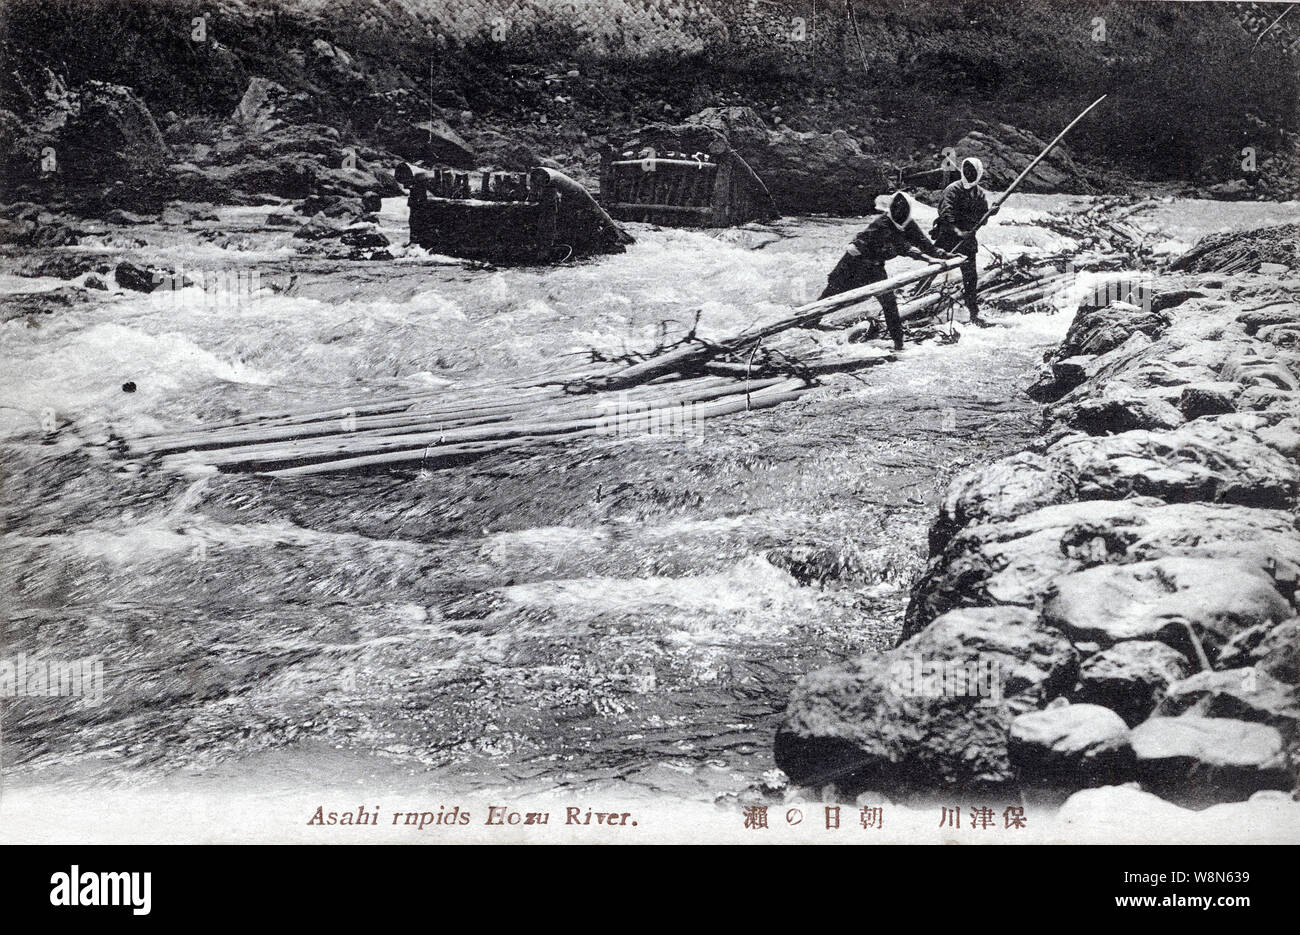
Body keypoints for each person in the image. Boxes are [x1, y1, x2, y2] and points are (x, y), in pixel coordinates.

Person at [818, 191, 952, 351]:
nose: (899, 212)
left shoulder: (908, 224)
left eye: (903, 210)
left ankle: (899, 345)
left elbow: (926, 245)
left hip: (875, 268)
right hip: (852, 266)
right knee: (827, 301)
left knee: (890, 304)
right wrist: (928, 259)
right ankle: (806, 328)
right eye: (896, 208)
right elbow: (903, 247)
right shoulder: (882, 224)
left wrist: (944, 255)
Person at [930, 156, 999, 326]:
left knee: (970, 277)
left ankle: (973, 313)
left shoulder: (979, 193)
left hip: (968, 239)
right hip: (947, 236)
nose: (968, 173)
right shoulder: (952, 189)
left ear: (978, 173)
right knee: (933, 270)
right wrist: (958, 233)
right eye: (966, 169)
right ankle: (914, 297)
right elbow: (946, 215)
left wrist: (991, 212)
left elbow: (981, 220)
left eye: (972, 171)